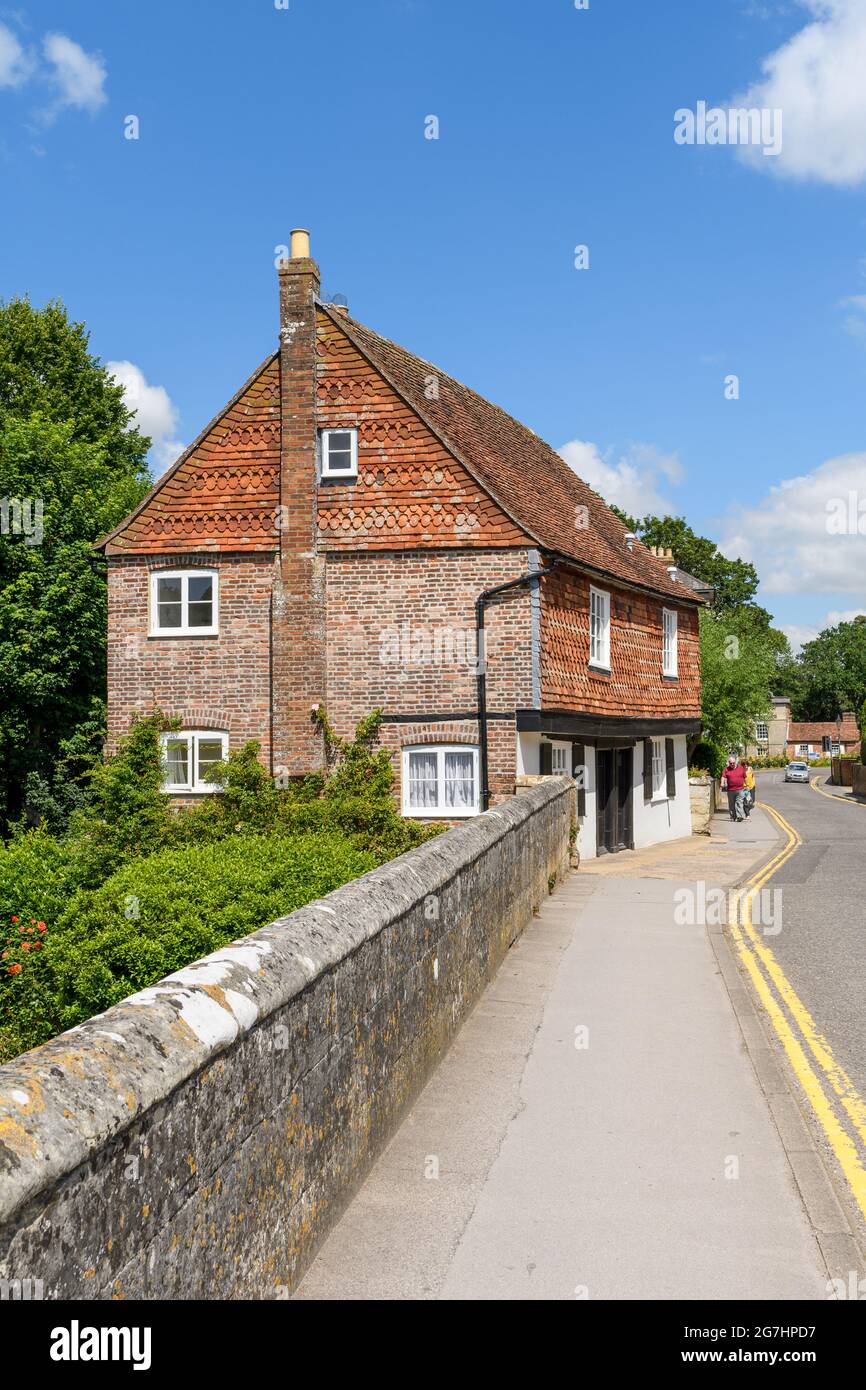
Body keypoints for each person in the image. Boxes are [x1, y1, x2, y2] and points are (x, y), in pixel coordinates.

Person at [720, 754, 747, 822]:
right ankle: (733, 816)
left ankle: (739, 816)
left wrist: (747, 785)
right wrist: (722, 783)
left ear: (736, 762)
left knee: (739, 803)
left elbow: (745, 777)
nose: (732, 764)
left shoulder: (741, 768)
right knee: (731, 804)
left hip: (740, 789)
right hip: (730, 790)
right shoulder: (726, 769)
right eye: (730, 763)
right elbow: (723, 776)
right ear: (729, 763)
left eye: (733, 763)